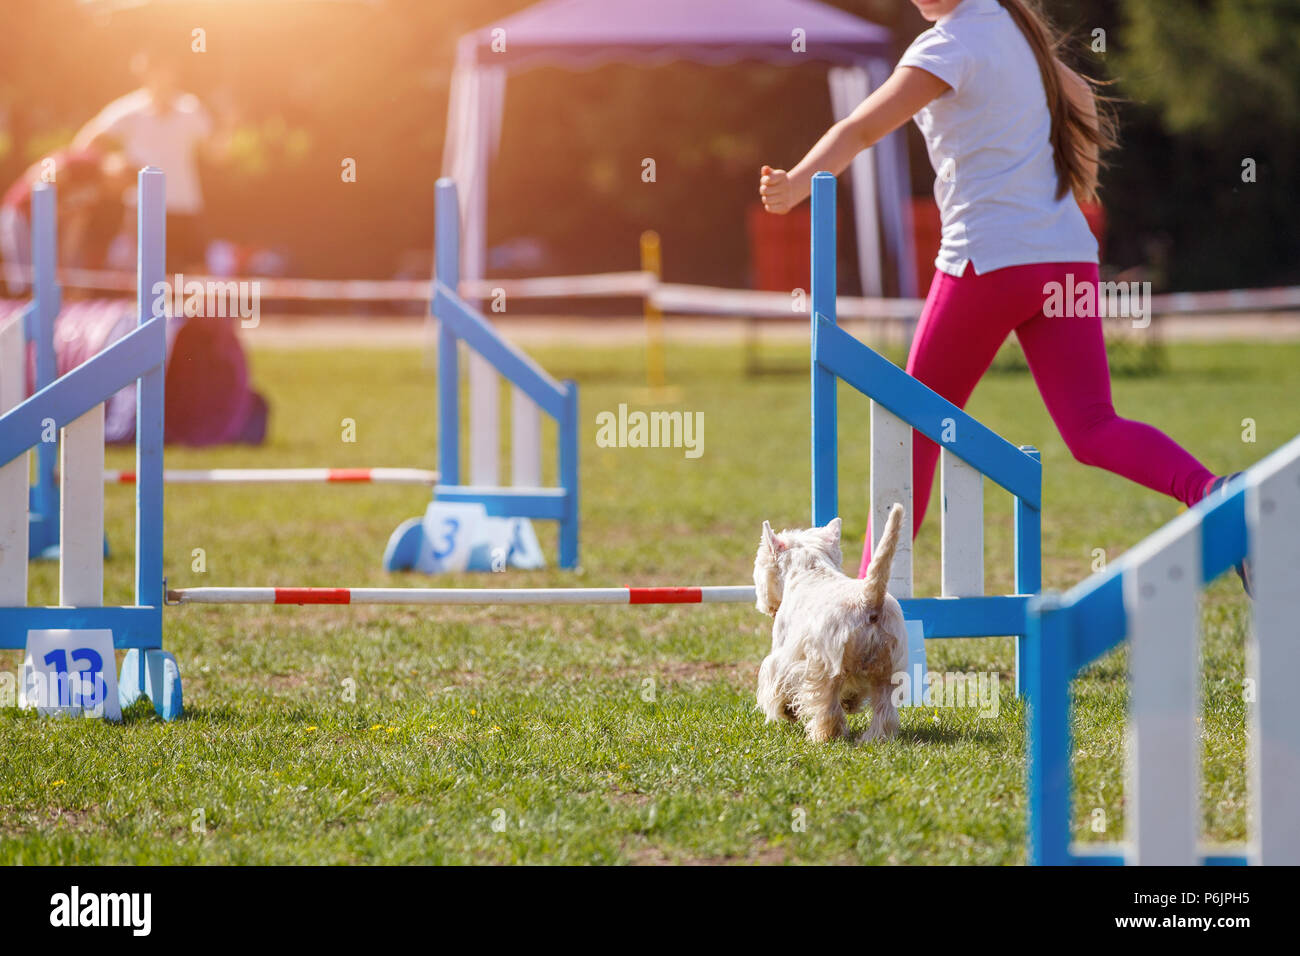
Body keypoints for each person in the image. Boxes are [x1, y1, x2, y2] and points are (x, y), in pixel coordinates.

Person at [759, 0, 1249, 594]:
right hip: (1066, 258)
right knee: (1094, 427)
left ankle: (865, 599)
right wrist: (1081, 183)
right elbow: (1081, 98)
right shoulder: (1020, 33)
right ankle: (1218, 495)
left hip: (988, 261)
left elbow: (861, 129)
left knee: (914, 430)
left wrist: (796, 184)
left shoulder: (947, 45)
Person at [73, 50, 228, 272]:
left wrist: (228, 124)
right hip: (143, 207)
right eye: (155, 72)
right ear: (144, 75)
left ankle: (184, 309)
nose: (162, 78)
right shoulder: (129, 109)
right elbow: (85, 143)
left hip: (184, 205)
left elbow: (216, 154)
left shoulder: (191, 108)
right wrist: (109, 168)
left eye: (166, 71)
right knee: (148, 274)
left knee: (196, 271)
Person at [0, 147, 127, 295]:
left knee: (47, 274)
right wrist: (54, 205)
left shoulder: (98, 193)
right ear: (117, 170)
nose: (115, 190)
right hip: (19, 213)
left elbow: (75, 226)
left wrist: (66, 266)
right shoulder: (85, 163)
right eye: (119, 184)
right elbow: (41, 176)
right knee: (26, 275)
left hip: (44, 223)